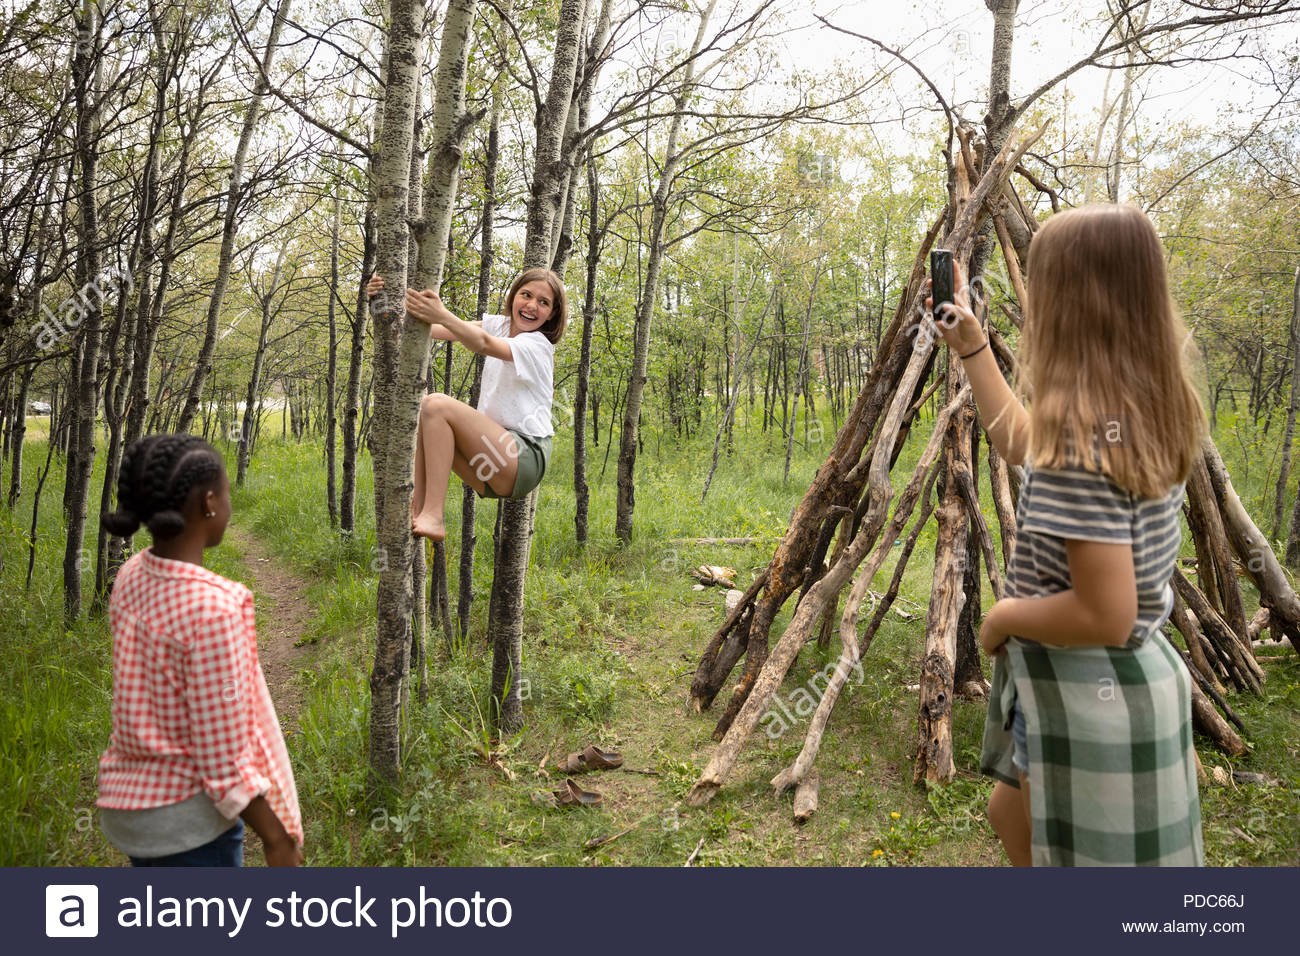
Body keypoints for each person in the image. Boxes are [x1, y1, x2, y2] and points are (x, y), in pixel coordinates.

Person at [928, 203, 1207, 866]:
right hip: (1136, 675)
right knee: (1009, 812)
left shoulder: (1085, 439)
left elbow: (1104, 613)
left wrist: (1001, 618)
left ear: (1068, 306)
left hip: (1088, 682)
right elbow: (1021, 443)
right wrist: (972, 346)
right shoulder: (1136, 410)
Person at [96, 434, 303, 867]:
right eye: (227, 493)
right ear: (210, 503)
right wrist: (277, 838)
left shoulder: (131, 574)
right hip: (186, 822)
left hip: (130, 809)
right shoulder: (216, 610)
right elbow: (224, 760)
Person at [366, 269, 568, 541]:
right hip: (493, 462)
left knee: (435, 405)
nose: (532, 305)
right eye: (526, 295)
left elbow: (482, 344)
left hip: (523, 455)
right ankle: (417, 510)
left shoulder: (537, 345)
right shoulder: (500, 324)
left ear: (553, 313)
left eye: (544, 302)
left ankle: (434, 515)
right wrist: (386, 302)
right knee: (426, 421)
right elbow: (434, 329)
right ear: (514, 296)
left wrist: (441, 312)